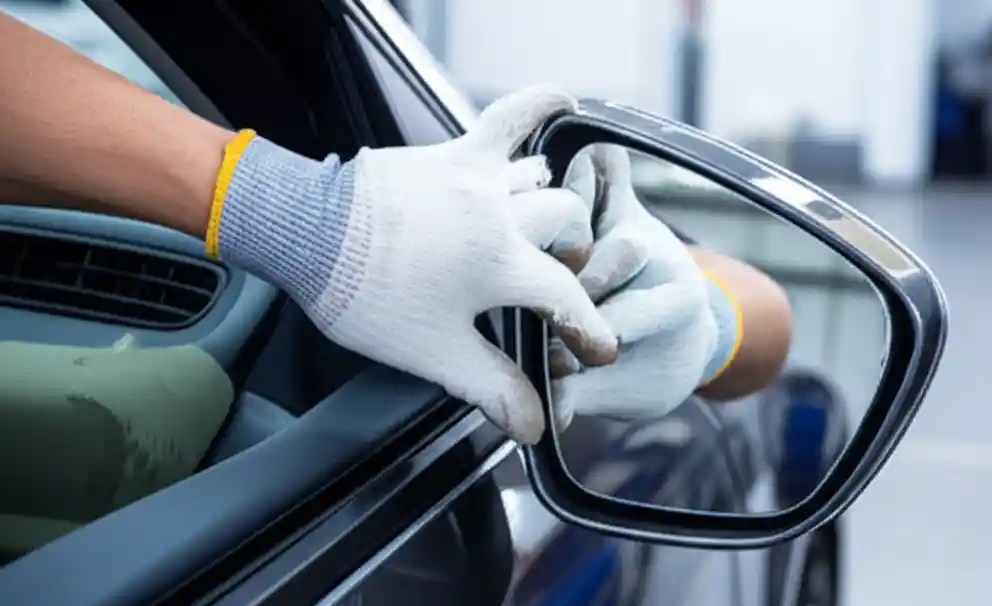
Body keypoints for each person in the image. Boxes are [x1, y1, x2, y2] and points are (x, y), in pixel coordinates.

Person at [0, 13, 791, 445]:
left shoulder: (453, 197)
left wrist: (708, 321)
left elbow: (768, 326)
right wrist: (302, 218)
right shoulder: (395, 200)